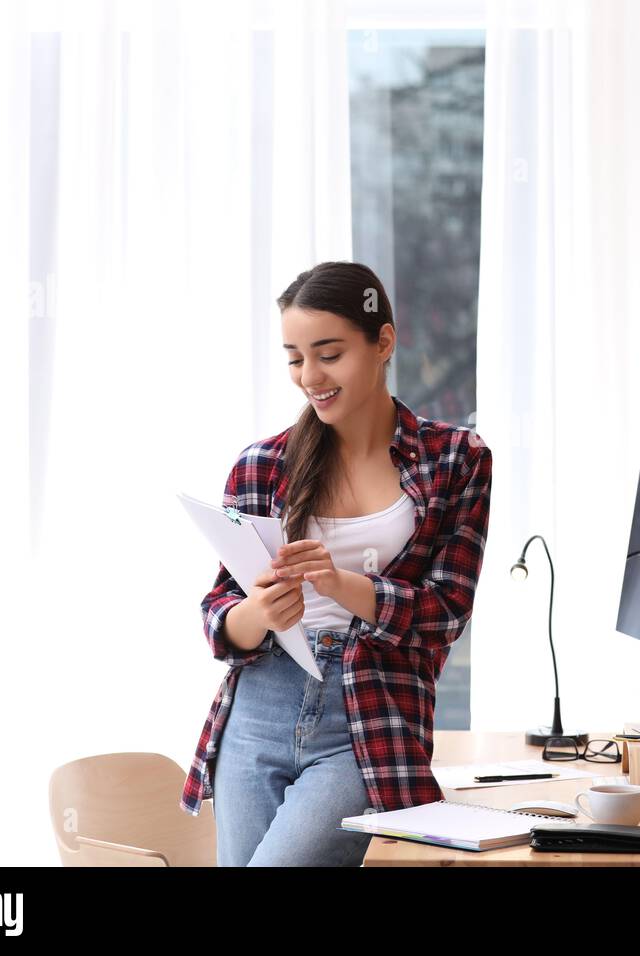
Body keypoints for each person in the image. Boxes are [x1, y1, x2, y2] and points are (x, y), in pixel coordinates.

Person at [180, 261, 493, 866]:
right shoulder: (261, 466)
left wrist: (343, 585)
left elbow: (446, 613)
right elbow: (219, 616)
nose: (310, 376)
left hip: (368, 718)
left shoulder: (457, 459)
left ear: (383, 342)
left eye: (329, 353)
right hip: (258, 707)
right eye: (295, 358)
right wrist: (258, 611)